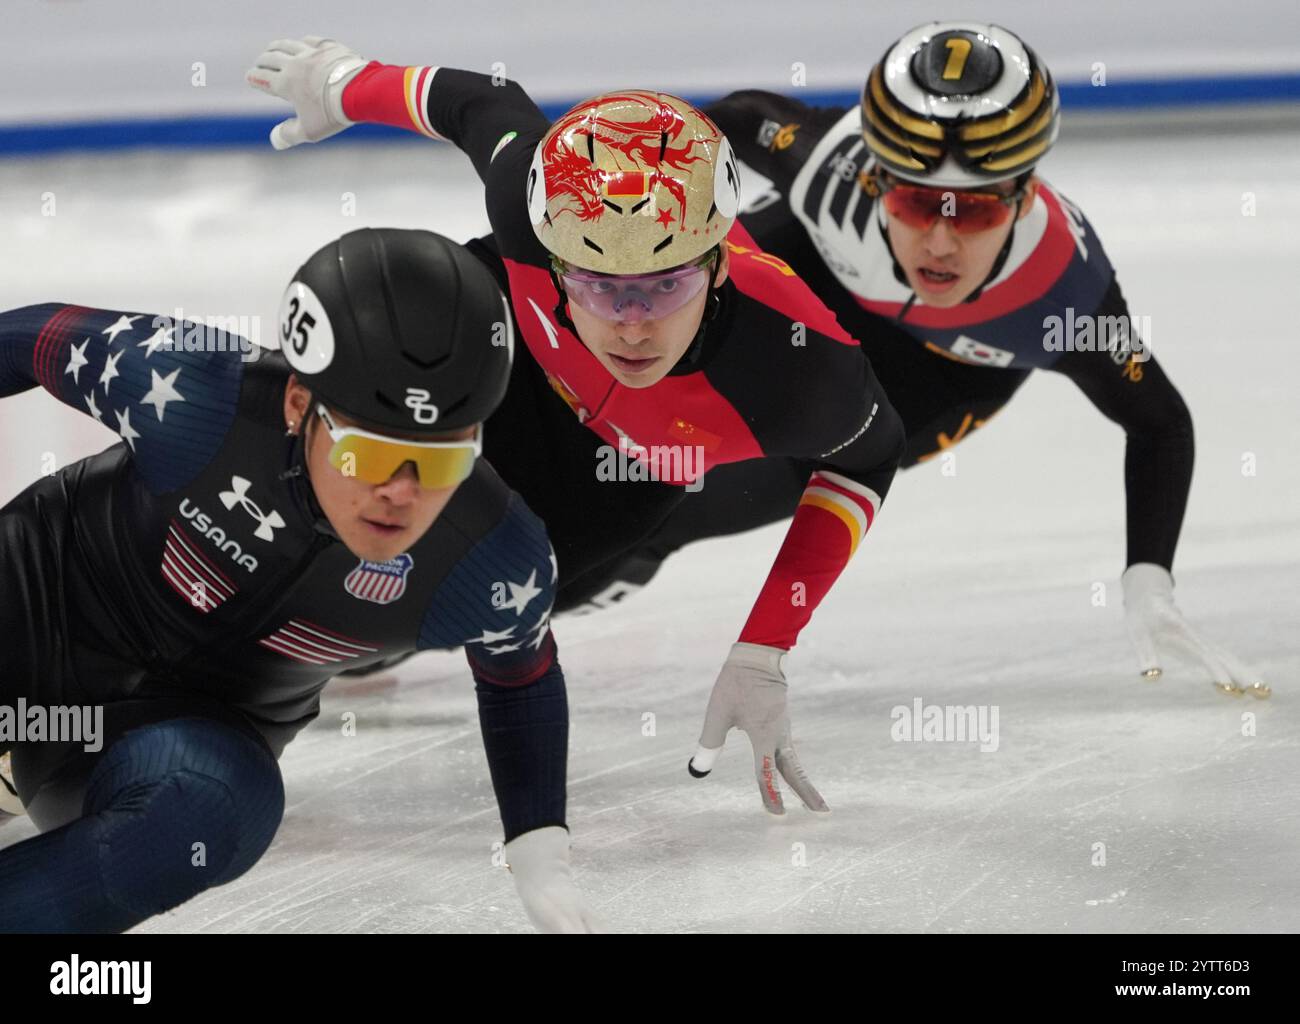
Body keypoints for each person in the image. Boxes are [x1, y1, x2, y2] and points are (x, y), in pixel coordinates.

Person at [247, 36, 906, 814]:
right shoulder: (528, 206)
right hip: (503, 356)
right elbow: (480, 103)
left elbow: (870, 456)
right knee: (320, 483)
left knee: (425, 608)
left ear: (719, 263)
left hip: (616, 479)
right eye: (598, 285)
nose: (630, 326)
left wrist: (765, 644)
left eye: (664, 288)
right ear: (556, 259)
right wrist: (344, 82)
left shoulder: (798, 367)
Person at [601, 22, 1268, 698]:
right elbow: (736, 119)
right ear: (877, 175)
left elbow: (1160, 422)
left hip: (937, 376)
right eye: (916, 202)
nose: (940, 244)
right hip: (818, 272)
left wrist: (1148, 579)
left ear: (1025, 194)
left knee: (671, 504)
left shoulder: (1063, 298)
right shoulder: (831, 170)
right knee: (608, 359)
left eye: (974, 213)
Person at [0, 227, 600, 933]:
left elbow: (518, 678)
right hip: (33, 606)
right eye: (368, 453)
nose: (400, 494)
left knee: (215, 812)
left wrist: (538, 848)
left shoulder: (492, 556)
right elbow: (21, 339)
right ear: (296, 404)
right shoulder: (194, 394)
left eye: (441, 462)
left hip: (183, 735)